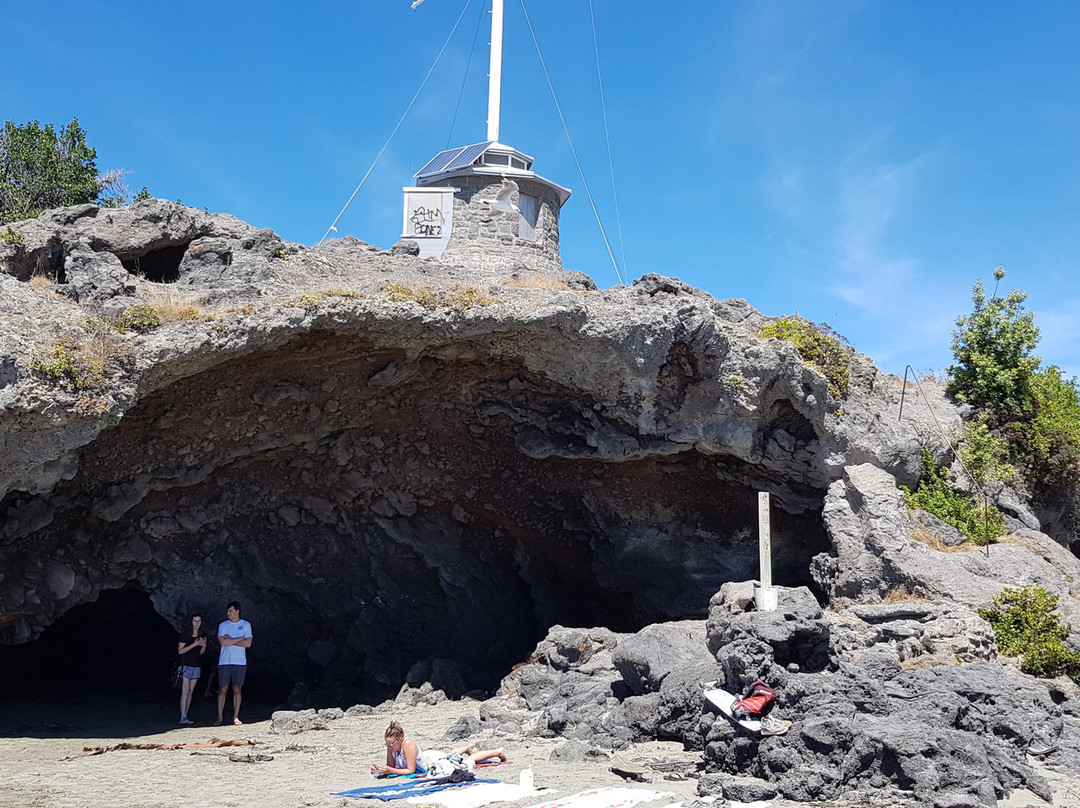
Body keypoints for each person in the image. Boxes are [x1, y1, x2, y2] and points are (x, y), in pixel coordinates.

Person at [371, 720, 507, 776]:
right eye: (387, 744)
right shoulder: (392, 746)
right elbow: (391, 766)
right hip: (428, 756)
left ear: (400, 739)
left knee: (467, 760)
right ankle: (467, 746)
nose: (389, 747)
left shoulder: (407, 744)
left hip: (432, 761)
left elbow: (410, 770)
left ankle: (498, 751)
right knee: (450, 754)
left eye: (391, 744)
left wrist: (389, 770)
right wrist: (383, 769)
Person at [215, 601, 253, 726]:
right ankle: (220, 716)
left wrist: (230, 640)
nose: (228, 613)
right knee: (223, 688)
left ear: (237, 611)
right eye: (227, 611)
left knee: (237, 689)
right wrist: (240, 638)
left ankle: (236, 716)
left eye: (230, 611)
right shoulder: (223, 625)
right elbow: (223, 642)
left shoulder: (246, 625)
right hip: (225, 661)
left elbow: (248, 643)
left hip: (240, 662)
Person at [176, 614, 207, 725]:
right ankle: (182, 716)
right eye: (195, 621)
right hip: (186, 666)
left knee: (190, 692)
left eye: (199, 621)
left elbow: (201, 653)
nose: (197, 623)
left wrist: (203, 645)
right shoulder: (185, 635)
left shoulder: (202, 635)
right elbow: (180, 651)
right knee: (185, 691)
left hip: (196, 666)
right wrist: (195, 644)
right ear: (191, 622)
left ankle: (186, 715)